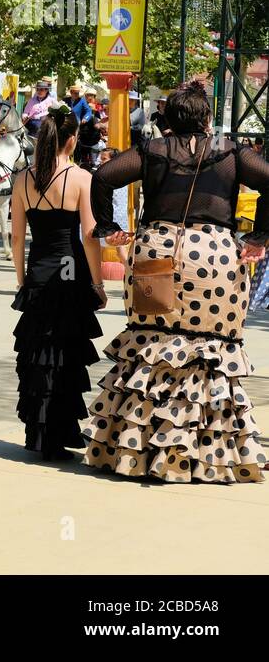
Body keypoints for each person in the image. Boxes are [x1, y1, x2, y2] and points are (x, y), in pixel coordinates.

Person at [86, 80, 269, 482]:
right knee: (210, 351)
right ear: (206, 118)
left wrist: (109, 227)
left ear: (167, 118)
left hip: (157, 252)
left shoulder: (152, 151)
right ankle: (206, 454)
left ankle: (137, 448)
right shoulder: (230, 152)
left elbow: (102, 177)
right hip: (215, 257)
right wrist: (259, 236)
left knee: (152, 344)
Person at [8, 105, 105, 460]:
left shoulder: (22, 179)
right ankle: (61, 430)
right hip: (69, 268)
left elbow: (17, 238)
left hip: (39, 267)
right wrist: (97, 283)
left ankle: (39, 433)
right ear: (72, 139)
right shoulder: (81, 178)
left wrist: (22, 280)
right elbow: (90, 236)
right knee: (64, 352)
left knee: (38, 353)